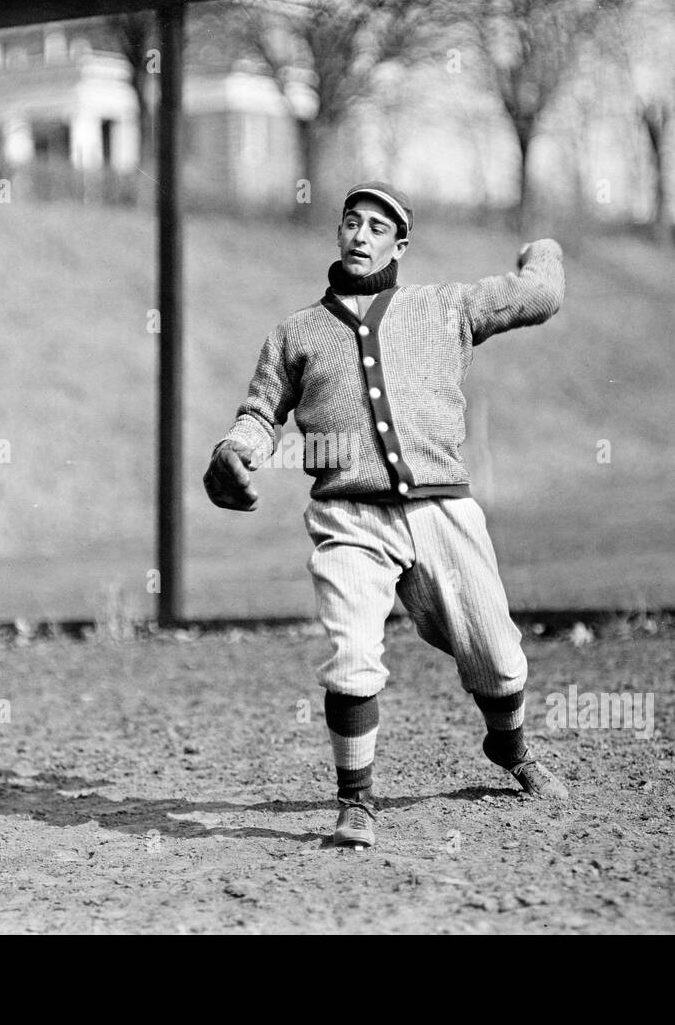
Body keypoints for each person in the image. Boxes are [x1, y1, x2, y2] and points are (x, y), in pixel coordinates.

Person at [203, 181, 569, 849]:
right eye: (351, 222)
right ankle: (356, 801)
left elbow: (537, 295)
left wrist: (541, 249)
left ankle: (509, 745)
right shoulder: (296, 333)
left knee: (500, 660)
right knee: (351, 654)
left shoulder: (444, 307)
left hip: (443, 510)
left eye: (378, 226)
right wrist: (234, 453)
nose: (361, 234)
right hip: (348, 517)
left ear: (400, 244)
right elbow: (259, 415)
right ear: (339, 233)